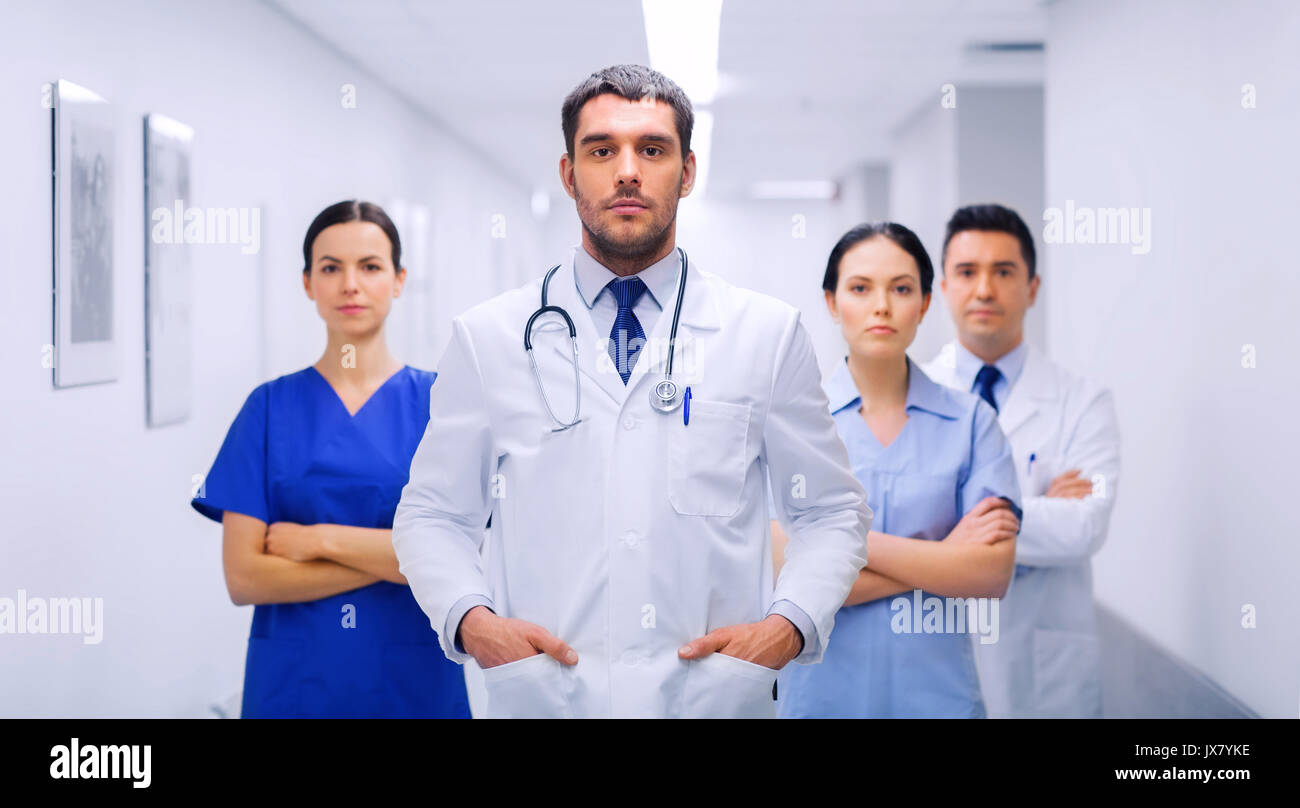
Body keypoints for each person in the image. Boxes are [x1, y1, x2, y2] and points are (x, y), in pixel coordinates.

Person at [392, 65, 871, 719]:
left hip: (712, 698)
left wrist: (786, 628)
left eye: (652, 149)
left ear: (688, 171)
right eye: (601, 150)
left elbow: (830, 514)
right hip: (549, 695)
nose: (627, 171)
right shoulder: (489, 338)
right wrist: (473, 622)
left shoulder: (764, 335)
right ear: (568, 174)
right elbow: (433, 516)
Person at [191, 200, 470, 718]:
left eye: (369, 266)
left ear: (399, 279)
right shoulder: (268, 409)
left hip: (410, 685)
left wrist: (317, 540)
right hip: (296, 687)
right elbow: (245, 578)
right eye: (330, 268)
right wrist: (400, 560)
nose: (350, 285)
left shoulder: (441, 407)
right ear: (307, 283)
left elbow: (461, 561)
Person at [773, 223, 1021, 718]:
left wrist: (830, 545)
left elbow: (991, 573)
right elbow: (783, 570)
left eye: (902, 288)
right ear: (831, 300)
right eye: (860, 288)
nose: (881, 305)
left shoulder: (972, 423)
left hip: (938, 698)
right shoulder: (793, 420)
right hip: (823, 700)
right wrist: (946, 558)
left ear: (925, 304)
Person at [921, 203, 1121, 718]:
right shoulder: (908, 395)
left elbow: (1085, 526)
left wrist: (955, 520)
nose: (984, 289)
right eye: (967, 272)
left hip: (1044, 669)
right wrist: (1031, 508)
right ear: (944, 287)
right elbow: (891, 522)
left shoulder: (1083, 401)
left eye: (1003, 272)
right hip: (934, 650)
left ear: (1032, 287)